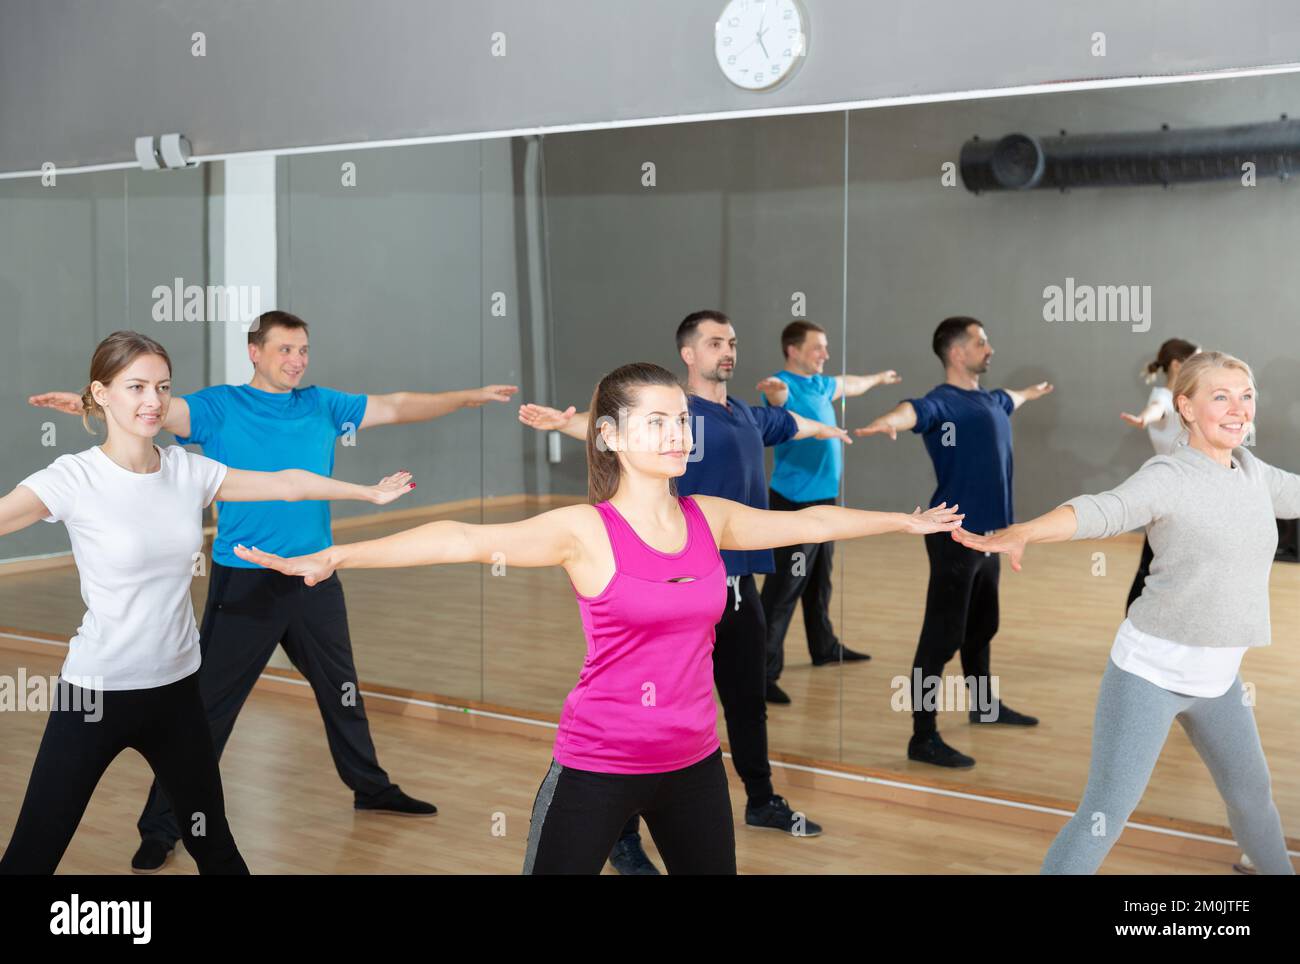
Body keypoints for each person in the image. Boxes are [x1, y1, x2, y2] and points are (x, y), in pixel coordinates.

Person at [233, 362, 962, 874]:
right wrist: (336, 558)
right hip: (597, 766)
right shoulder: (584, 530)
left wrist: (902, 521)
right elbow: (463, 539)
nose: (678, 434)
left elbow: (813, 525)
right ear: (609, 435)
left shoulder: (708, 518)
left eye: (681, 421)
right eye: (657, 423)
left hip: (696, 765)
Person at [28, 310, 516, 872]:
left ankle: (370, 786)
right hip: (246, 579)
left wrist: (467, 396)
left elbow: (400, 404)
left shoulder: (323, 404)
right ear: (254, 352)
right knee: (205, 709)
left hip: (314, 574)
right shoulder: (218, 406)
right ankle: (162, 826)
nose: (297, 360)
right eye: (285, 349)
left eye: (304, 350)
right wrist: (96, 400)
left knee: (341, 690)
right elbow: (153, 409)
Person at [519, 310, 851, 873]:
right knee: (647, 696)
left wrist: (833, 429)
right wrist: (566, 426)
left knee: (745, 700)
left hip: (733, 586)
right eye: (716, 342)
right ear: (689, 354)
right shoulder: (673, 414)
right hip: (674, 586)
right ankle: (622, 824)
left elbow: (795, 425)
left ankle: (761, 797)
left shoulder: (746, 415)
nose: (729, 351)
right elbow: (624, 434)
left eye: (733, 342)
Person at [955, 351, 1295, 875]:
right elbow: (1104, 508)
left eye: (1246, 395)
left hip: (1219, 681)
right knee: (1105, 814)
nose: (1238, 408)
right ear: (1185, 406)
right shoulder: (1169, 475)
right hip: (1149, 675)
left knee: (1253, 800)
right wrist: (1026, 530)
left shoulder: (1254, 473)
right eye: (1220, 396)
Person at [856, 316, 1051, 768]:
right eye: (981, 342)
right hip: (955, 535)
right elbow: (911, 412)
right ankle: (922, 737)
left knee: (981, 628)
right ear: (957, 353)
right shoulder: (942, 404)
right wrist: (887, 421)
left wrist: (1031, 393)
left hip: (992, 537)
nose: (990, 348)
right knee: (941, 638)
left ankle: (983, 706)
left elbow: (1013, 398)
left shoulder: (992, 400)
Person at [757, 319, 901, 704]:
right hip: (795, 504)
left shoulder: (820, 384)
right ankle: (762, 673)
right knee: (784, 588)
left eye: (825, 347)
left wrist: (879, 378)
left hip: (824, 501)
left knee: (820, 579)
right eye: (817, 347)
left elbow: (850, 383)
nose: (825, 354)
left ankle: (823, 646)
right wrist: (774, 395)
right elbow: (777, 402)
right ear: (793, 350)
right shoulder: (783, 384)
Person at [1119, 338, 1199, 611]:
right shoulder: (1163, 397)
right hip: (1170, 490)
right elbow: (1157, 409)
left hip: (1187, 491)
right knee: (1152, 564)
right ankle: (1133, 620)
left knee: (1165, 560)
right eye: (1194, 360)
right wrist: (1144, 418)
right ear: (1177, 364)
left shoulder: (1188, 399)